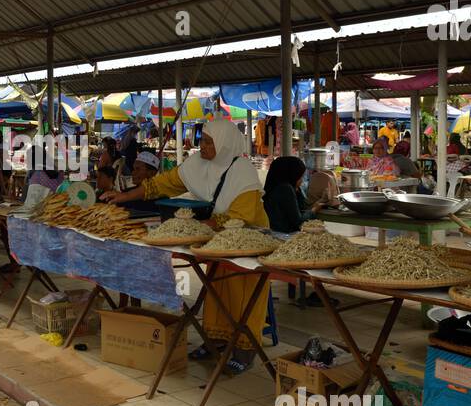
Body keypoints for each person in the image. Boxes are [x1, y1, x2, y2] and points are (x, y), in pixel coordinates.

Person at [102, 116, 268, 373]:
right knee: (217, 291)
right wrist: (123, 196)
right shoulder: (197, 165)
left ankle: (246, 348)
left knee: (242, 293)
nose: (203, 147)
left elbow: (240, 216)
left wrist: (195, 228)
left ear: (225, 144)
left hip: (248, 241)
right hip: (219, 240)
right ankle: (217, 339)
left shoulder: (242, 171)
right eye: (203, 140)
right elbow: (159, 185)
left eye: (210, 143)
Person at [262, 156, 323, 234]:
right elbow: (298, 222)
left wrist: (297, 190)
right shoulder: (285, 189)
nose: (302, 181)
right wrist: (314, 210)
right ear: (292, 175)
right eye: (300, 177)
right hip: (281, 235)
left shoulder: (273, 184)